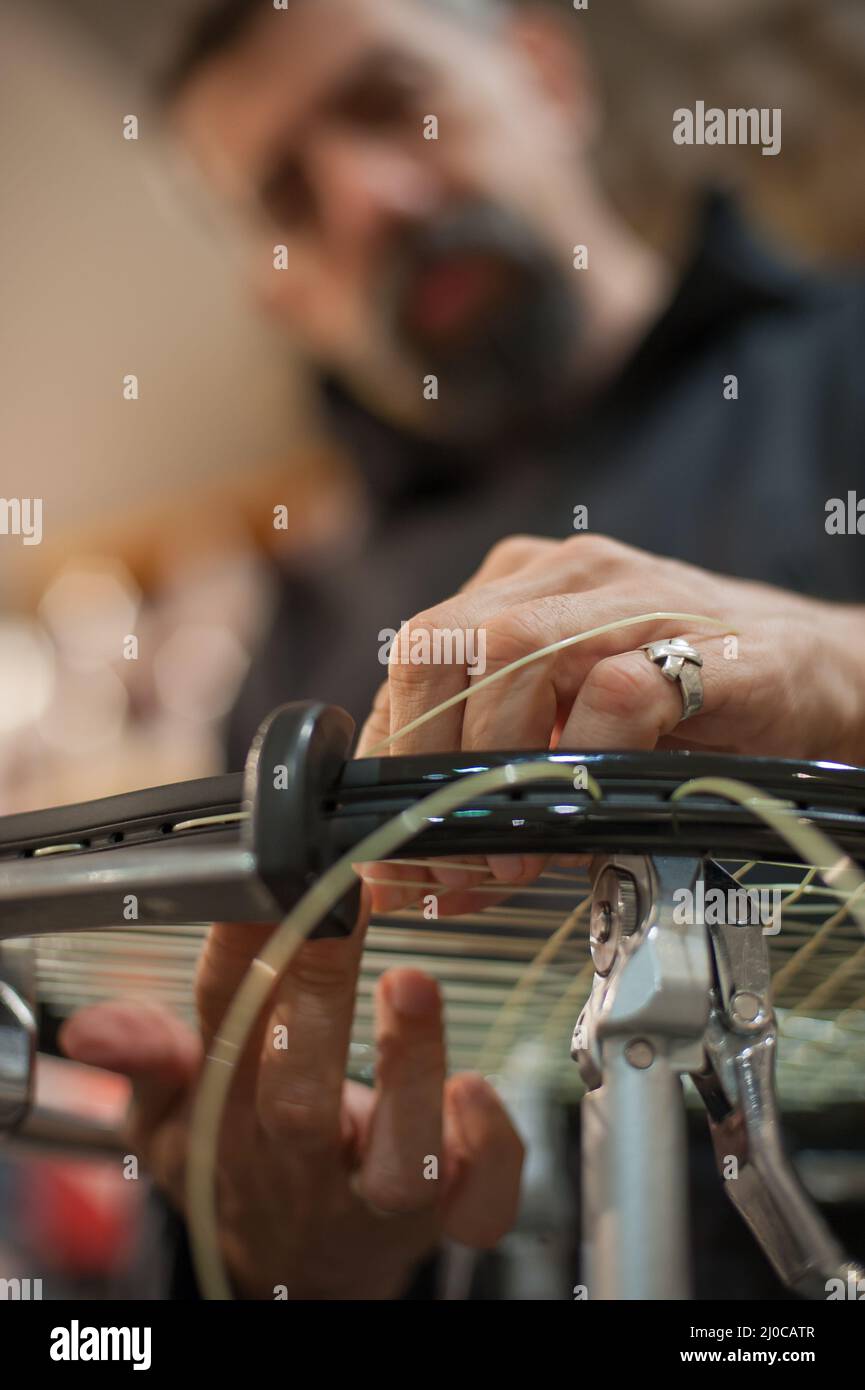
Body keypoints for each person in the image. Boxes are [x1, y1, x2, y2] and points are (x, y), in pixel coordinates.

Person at [62, 0, 865, 1298]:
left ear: (546, 72)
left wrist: (837, 662)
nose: (371, 196)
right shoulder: (287, 674)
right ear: (278, 282)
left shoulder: (844, 372)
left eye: (395, 105)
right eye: (287, 199)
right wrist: (286, 1265)